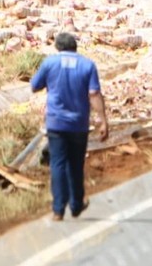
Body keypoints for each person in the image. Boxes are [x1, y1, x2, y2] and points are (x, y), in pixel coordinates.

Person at [30, 31, 109, 221]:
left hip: (56, 123)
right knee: (76, 164)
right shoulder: (87, 65)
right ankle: (76, 205)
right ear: (75, 46)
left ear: (57, 47)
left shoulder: (50, 63)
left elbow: (34, 86)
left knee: (57, 164)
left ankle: (58, 210)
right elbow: (94, 94)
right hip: (78, 124)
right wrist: (103, 120)